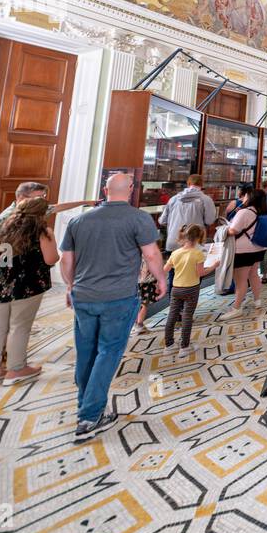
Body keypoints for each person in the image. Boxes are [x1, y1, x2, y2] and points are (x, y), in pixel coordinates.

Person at [60, 172, 166, 442]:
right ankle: (91, 413)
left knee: (86, 351)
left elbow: (66, 261)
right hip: (118, 297)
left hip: (84, 295)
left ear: (105, 190)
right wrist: (162, 279)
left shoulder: (79, 220)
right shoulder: (138, 218)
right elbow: (151, 254)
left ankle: (85, 405)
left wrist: (71, 287)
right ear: (130, 189)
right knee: (108, 351)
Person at [0, 197, 57, 386]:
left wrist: (7, 261)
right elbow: (51, 259)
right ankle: (16, 369)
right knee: (19, 326)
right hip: (28, 285)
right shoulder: (43, 232)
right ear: (42, 214)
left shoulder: (4, 229)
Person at [163, 223, 214, 356]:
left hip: (176, 289)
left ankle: (169, 345)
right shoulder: (198, 254)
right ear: (198, 238)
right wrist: (214, 266)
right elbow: (200, 273)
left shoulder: (175, 253)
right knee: (187, 317)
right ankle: (184, 347)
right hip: (191, 289)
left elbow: (164, 271)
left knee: (172, 316)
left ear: (185, 236)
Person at [219, 186, 267, 321]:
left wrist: (224, 229)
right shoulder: (261, 211)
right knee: (253, 274)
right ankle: (257, 301)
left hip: (243, 251)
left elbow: (233, 231)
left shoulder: (244, 212)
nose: (243, 197)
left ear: (251, 198)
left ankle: (237, 308)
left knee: (240, 280)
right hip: (258, 249)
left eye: (246, 195)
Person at [0, 181, 95, 237]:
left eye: (43, 197)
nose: (42, 200)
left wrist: (85, 202)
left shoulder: (35, 210)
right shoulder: (3, 219)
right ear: (21, 197)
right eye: (38, 197)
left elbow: (57, 207)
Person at [162, 174, 217, 251]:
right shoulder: (206, 200)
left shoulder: (173, 199)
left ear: (188, 183)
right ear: (201, 184)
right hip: (193, 243)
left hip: (174, 241)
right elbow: (209, 220)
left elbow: (162, 221)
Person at [132, 257, 158, 335]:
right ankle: (139, 325)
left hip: (135, 282)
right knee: (144, 304)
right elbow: (145, 270)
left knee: (137, 304)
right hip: (146, 283)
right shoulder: (147, 255)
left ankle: (136, 324)